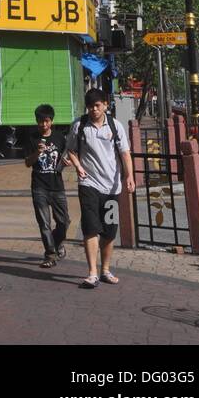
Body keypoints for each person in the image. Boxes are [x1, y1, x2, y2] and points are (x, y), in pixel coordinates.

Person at [65, 88, 135, 290]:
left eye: (97, 105)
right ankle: (92, 273)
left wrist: (129, 176)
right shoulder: (79, 125)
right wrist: (78, 167)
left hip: (112, 187)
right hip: (89, 184)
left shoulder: (115, 126)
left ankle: (105, 270)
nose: (94, 110)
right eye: (90, 106)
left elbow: (125, 153)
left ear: (105, 104)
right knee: (90, 227)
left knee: (110, 231)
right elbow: (71, 149)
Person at [24, 103, 70, 268]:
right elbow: (27, 163)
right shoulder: (32, 138)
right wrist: (37, 152)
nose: (44, 125)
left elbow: (66, 157)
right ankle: (50, 255)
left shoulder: (59, 138)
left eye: (47, 121)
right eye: (40, 121)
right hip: (39, 187)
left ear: (51, 121)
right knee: (44, 224)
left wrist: (67, 162)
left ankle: (57, 245)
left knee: (64, 222)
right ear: (36, 122)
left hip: (57, 186)